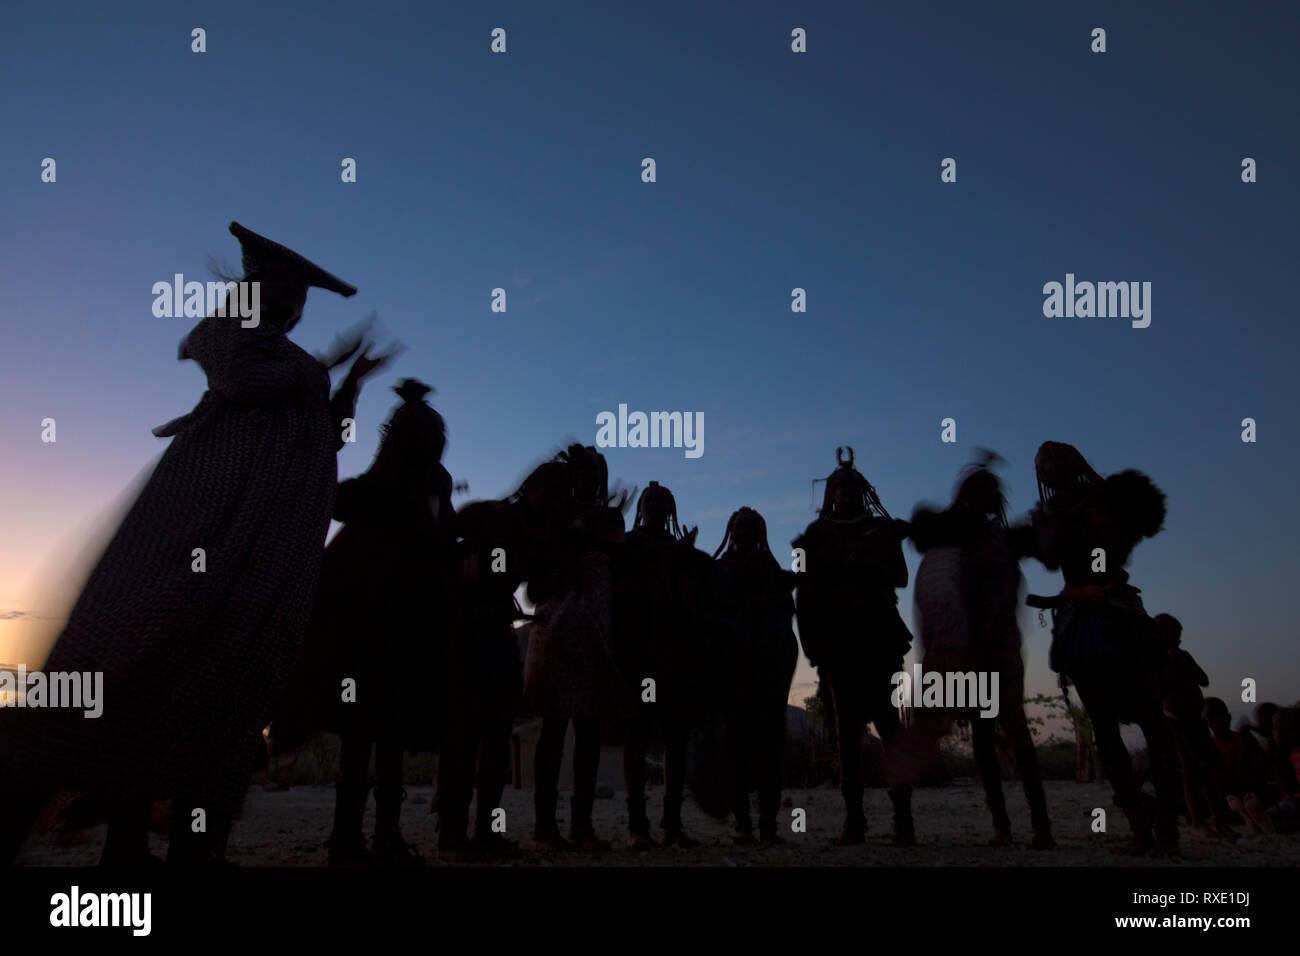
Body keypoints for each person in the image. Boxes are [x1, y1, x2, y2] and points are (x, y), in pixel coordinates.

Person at [0, 222, 397, 865]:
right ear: (251, 287)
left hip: (269, 549)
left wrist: (349, 382)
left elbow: (331, 439)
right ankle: (94, 830)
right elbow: (243, 381)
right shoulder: (228, 333)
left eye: (297, 296)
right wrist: (320, 370)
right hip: (204, 522)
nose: (291, 304)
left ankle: (192, 843)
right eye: (277, 288)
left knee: (229, 685)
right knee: (137, 654)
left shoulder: (301, 370)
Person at [274, 379, 454, 865]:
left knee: (381, 731)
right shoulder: (390, 484)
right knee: (369, 731)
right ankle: (354, 836)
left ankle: (374, 835)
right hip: (372, 625)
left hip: (403, 623)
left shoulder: (427, 482)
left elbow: (442, 536)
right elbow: (340, 502)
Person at [1022, 441, 1178, 856]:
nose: (1045, 468)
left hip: (1117, 612)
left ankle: (1168, 831)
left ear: (1070, 462)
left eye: (1052, 459)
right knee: (1105, 731)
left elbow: (1123, 539)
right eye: (1040, 464)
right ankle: (1141, 829)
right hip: (1081, 619)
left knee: (1154, 724)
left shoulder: (1107, 499)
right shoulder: (1050, 512)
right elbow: (1053, 561)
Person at [907, 455, 1053, 848]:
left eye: (992, 492)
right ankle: (1005, 826)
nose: (988, 498)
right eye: (980, 491)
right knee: (989, 736)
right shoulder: (950, 537)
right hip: (970, 651)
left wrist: (1046, 521)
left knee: (1013, 734)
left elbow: (1045, 551)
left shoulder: (1002, 539)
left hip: (999, 648)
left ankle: (1039, 826)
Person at [793, 447, 914, 846]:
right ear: (830, 492)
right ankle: (855, 821)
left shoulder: (881, 529)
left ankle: (903, 819)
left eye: (851, 484)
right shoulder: (815, 536)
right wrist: (812, 647)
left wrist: (863, 561)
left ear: (861, 490)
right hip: (837, 644)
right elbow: (804, 595)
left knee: (888, 723)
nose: (845, 489)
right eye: (839, 485)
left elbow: (900, 577)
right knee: (845, 731)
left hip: (877, 638)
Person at [520, 446, 632, 851]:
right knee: (553, 724)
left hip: (595, 630)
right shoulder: (554, 514)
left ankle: (582, 826)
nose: (585, 478)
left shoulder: (610, 518)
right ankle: (545, 826)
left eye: (592, 471)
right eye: (579, 470)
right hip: (555, 628)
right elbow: (540, 563)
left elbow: (619, 562)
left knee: (588, 727)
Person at [618, 481, 716, 849]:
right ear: (641, 507)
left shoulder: (684, 553)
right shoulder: (627, 546)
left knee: (675, 737)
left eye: (661, 501)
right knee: (638, 732)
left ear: (671, 509)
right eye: (650, 501)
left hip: (675, 656)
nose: (655, 506)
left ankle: (671, 824)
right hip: (640, 655)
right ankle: (637, 825)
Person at [712, 508, 798, 846]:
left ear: (759, 532)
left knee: (769, 748)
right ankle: (742, 823)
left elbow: (785, 621)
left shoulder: (772, 573)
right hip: (732, 674)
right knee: (734, 748)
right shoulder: (719, 571)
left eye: (750, 526)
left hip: (768, 674)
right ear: (731, 532)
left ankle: (768, 824)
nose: (743, 532)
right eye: (738, 526)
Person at [1154, 614, 1233, 837]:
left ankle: (1218, 820)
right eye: (1173, 634)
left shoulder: (1183, 657)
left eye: (1179, 634)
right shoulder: (1154, 659)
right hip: (1175, 720)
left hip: (1195, 719)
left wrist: (1181, 663)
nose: (1178, 638)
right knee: (1189, 769)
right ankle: (1198, 820)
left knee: (1207, 769)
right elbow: (1159, 691)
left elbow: (1203, 680)